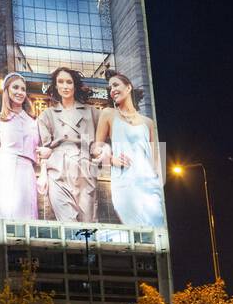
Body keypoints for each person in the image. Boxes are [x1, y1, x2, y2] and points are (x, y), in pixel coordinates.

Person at [95, 71, 165, 227]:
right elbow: (95, 148)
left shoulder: (148, 122)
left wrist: (159, 183)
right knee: (136, 230)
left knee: (158, 227)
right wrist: (111, 159)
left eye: (115, 85)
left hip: (149, 185)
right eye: (109, 88)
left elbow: (157, 159)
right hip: (124, 183)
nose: (112, 90)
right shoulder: (108, 114)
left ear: (128, 87)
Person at [35, 66, 101, 223]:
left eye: (69, 82)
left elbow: (102, 141)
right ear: (56, 86)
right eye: (61, 82)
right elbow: (45, 149)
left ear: (75, 85)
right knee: (68, 225)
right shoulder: (46, 115)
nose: (65, 86)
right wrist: (43, 174)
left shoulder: (91, 112)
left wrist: (102, 151)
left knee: (88, 227)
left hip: (84, 171)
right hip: (57, 171)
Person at [0, 72, 39, 221]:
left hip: (27, 171)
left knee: (28, 215)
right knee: (6, 214)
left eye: (23, 89)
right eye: (15, 87)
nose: (20, 92)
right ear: (7, 90)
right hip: (4, 170)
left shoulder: (33, 122)